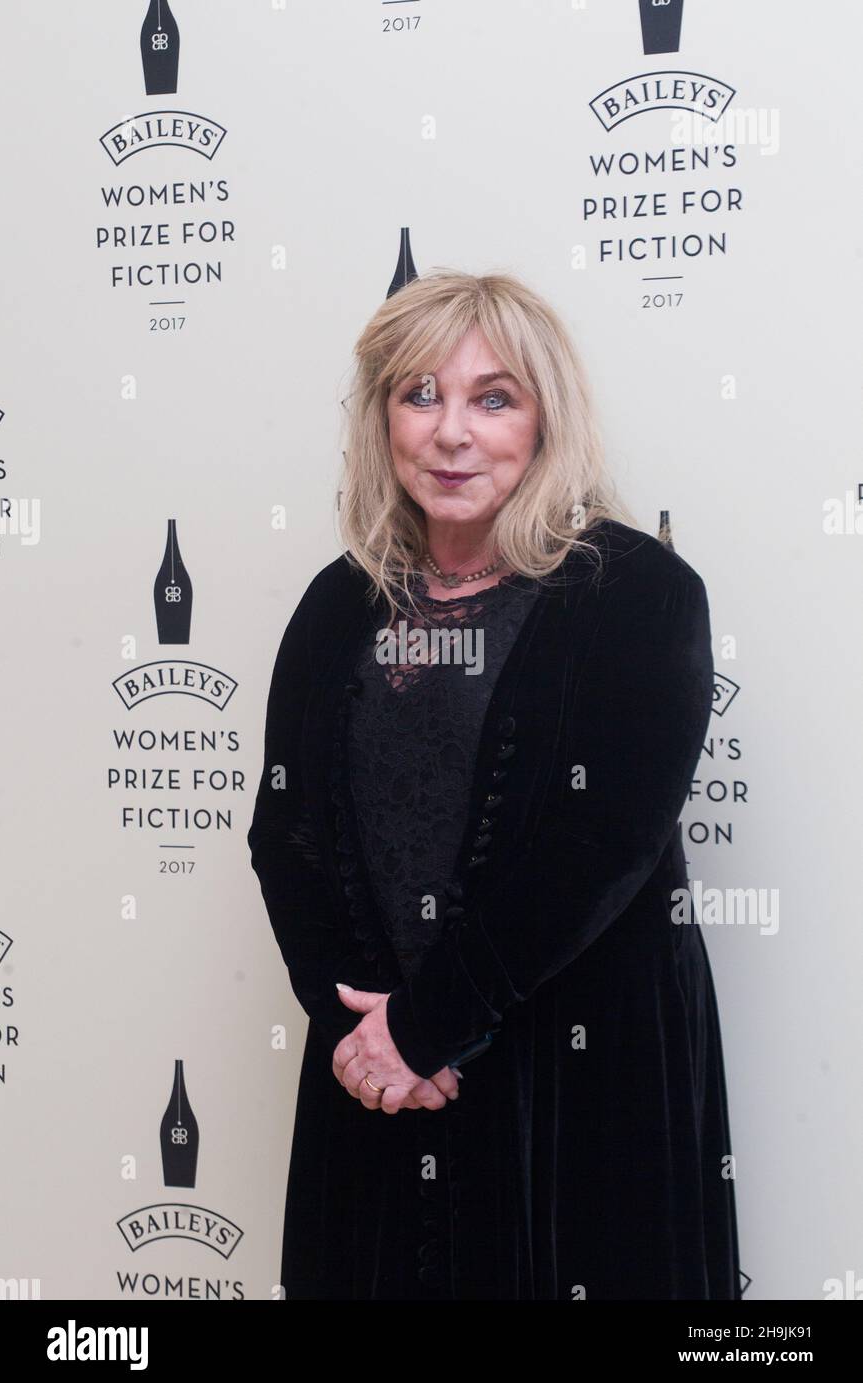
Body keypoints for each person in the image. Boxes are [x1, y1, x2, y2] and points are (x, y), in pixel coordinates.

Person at [247, 270, 742, 1300]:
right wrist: (357, 1034)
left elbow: (599, 843)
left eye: (492, 397)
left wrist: (426, 1026)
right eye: (418, 395)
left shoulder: (637, 595)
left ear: (544, 418)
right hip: (381, 1080)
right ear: (381, 420)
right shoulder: (339, 604)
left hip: (575, 1076)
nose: (450, 433)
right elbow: (283, 831)